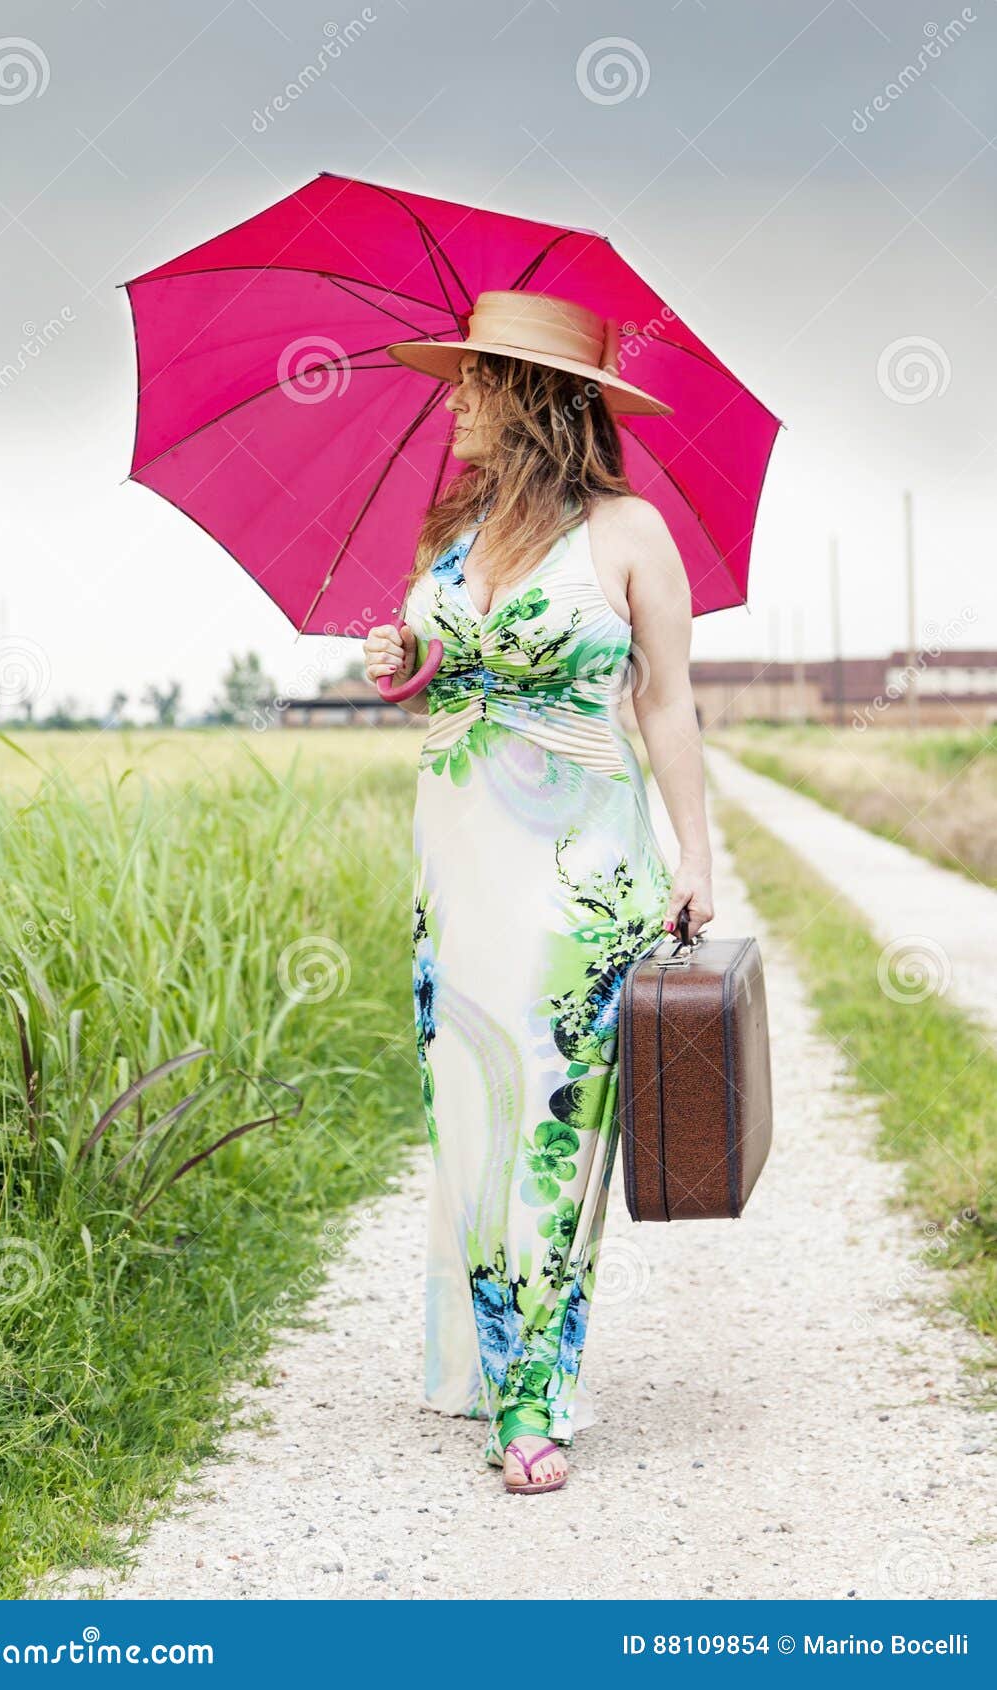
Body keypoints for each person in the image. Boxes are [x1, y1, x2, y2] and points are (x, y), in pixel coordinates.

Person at [363, 291, 714, 1496]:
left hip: (579, 869)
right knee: (469, 1112)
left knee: (552, 1124)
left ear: (532, 399)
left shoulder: (627, 533)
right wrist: (396, 658)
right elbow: (441, 669)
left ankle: (531, 1398)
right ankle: (487, 1356)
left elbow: (664, 700)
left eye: (473, 383)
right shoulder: (452, 531)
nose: (451, 403)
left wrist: (695, 857)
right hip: (455, 864)